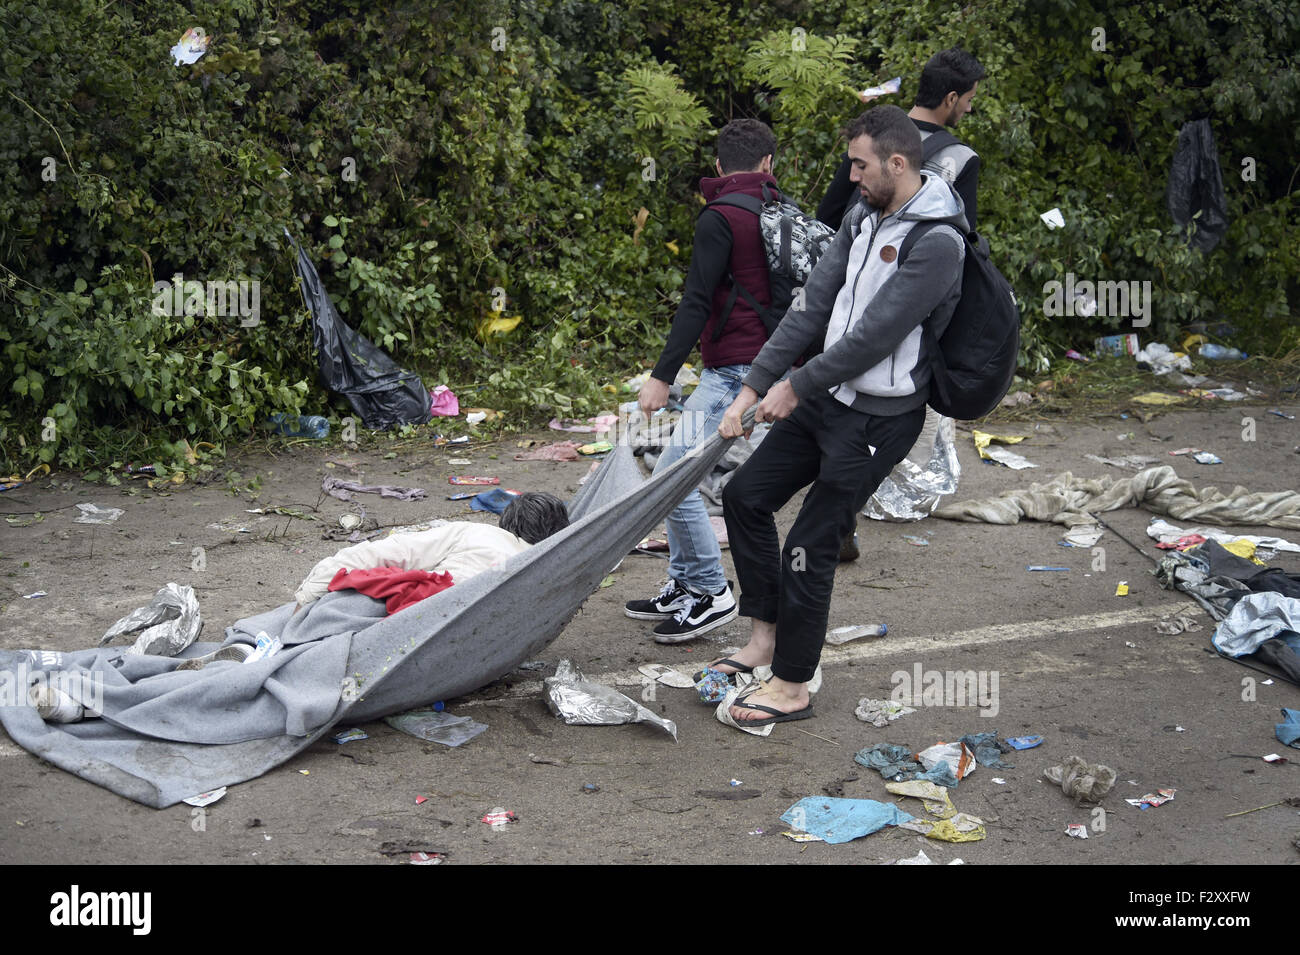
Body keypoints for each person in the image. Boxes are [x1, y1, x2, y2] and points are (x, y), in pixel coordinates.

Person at [715, 105, 967, 726]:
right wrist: (753, 388)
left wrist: (795, 387)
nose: (851, 177)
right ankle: (765, 642)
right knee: (746, 496)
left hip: (880, 419)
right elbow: (810, 308)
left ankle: (794, 685)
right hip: (829, 398)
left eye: (860, 164)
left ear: (898, 163)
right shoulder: (863, 216)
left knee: (811, 541)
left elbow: (875, 337)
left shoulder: (937, 241)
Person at [623, 119, 784, 644]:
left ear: (718, 166)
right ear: (768, 165)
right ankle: (687, 583)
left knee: (675, 480)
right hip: (761, 366)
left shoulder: (720, 217)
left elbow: (695, 300)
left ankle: (712, 592)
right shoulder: (779, 212)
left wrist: (661, 376)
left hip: (735, 370)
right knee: (674, 479)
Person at [291, 492, 570, 613]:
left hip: (421, 610)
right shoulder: (554, 570)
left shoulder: (478, 533)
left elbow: (389, 551)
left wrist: (307, 595)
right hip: (460, 634)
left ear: (507, 523)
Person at [817, 48, 985, 233]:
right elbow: (962, 240)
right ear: (951, 98)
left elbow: (827, 217)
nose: (968, 108)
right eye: (969, 99)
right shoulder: (962, 159)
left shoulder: (871, 131)